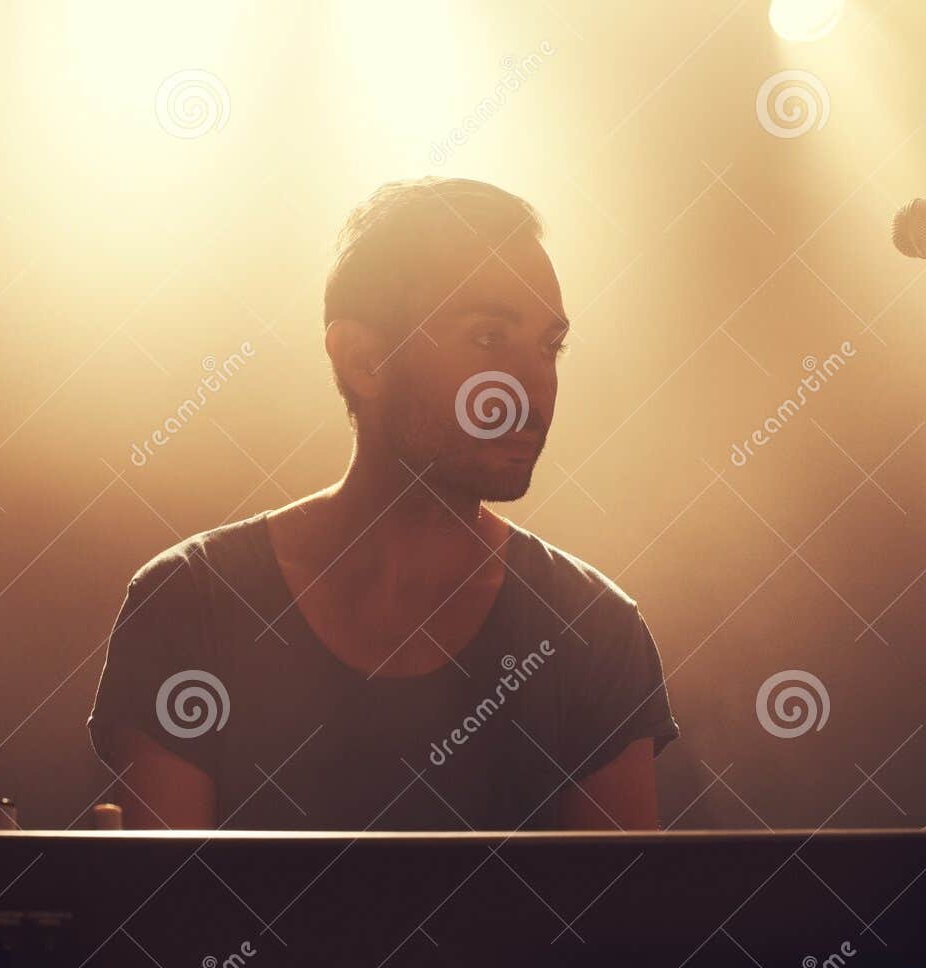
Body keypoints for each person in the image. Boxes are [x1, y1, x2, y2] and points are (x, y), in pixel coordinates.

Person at [89, 177, 678, 833]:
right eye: (489, 338)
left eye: (549, 346)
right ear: (363, 358)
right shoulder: (193, 602)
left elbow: (615, 928)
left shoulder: (595, 632)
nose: (535, 385)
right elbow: (164, 919)